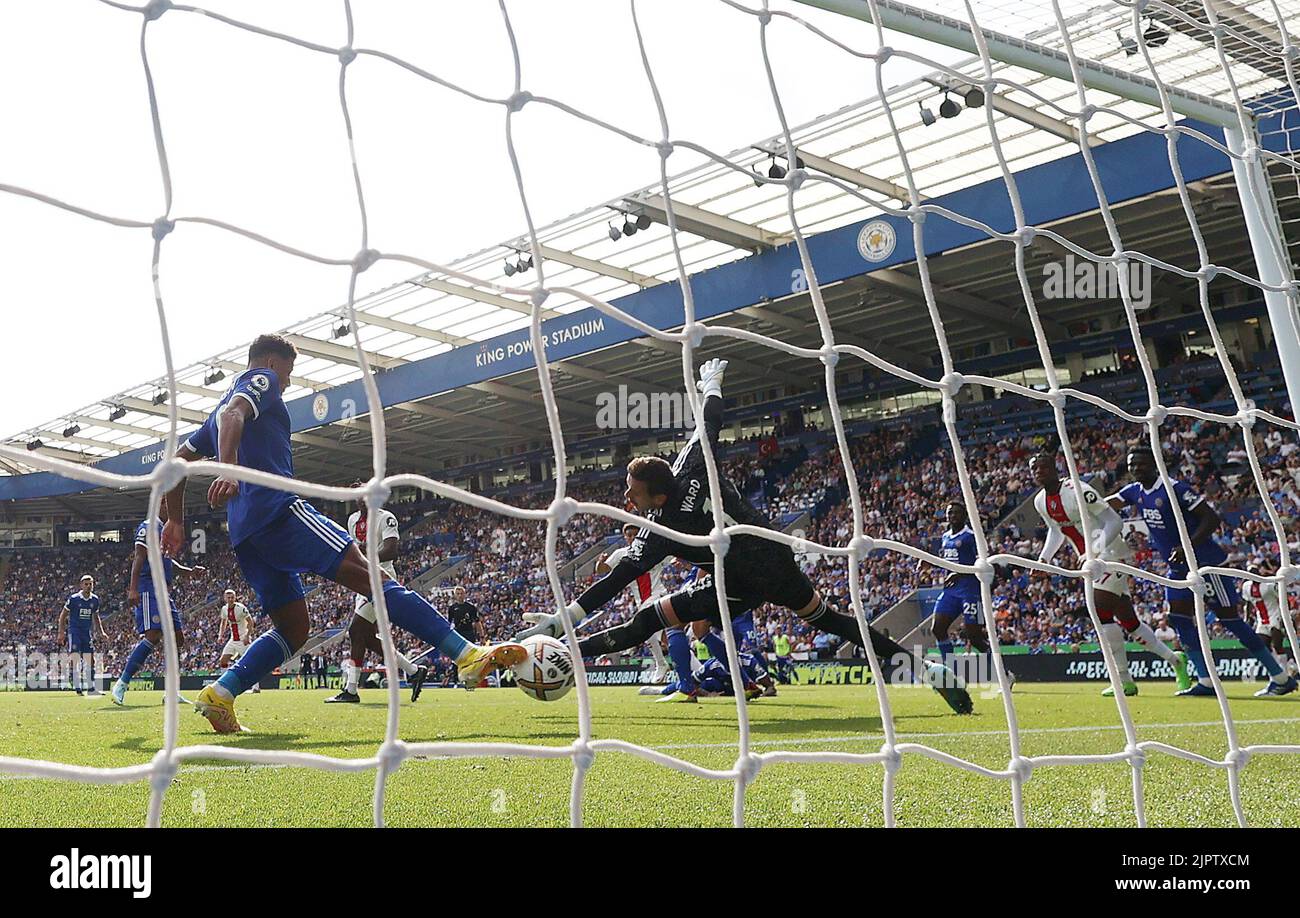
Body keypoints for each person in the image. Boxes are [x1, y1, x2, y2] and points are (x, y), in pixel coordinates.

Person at [517, 358, 972, 714]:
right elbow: (710, 422)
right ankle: (926, 670)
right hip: (770, 557)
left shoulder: (661, 528)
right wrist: (711, 385)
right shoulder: (689, 465)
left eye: (633, 494)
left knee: (652, 618)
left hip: (740, 579)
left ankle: (568, 652)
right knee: (826, 619)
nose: (627, 498)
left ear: (655, 496)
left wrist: (562, 619)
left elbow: (611, 585)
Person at [161, 333, 525, 733]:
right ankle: (466, 653)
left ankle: (221, 694)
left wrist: (175, 520)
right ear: (268, 360)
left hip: (246, 535)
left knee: (294, 627)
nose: (288, 382)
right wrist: (229, 469)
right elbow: (235, 414)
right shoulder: (259, 382)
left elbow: (177, 463)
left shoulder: (213, 413)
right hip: (279, 511)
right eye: (289, 371)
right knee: (373, 578)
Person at [1110, 446, 1296, 698]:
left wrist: (1188, 546)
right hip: (1177, 569)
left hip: (1206, 564)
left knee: (1230, 620)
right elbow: (1105, 504)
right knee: (1179, 619)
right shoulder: (1135, 492)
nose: (1135, 469)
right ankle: (1206, 680)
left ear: (1155, 464)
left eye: (1141, 464)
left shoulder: (1175, 489)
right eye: (1132, 465)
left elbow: (1211, 519)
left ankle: (1280, 677)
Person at [1031, 451, 1188, 696]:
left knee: (1100, 610)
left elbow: (1114, 521)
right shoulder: (1040, 501)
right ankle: (1176, 661)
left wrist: (1094, 550)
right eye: (1034, 469)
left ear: (1055, 467)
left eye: (1043, 467)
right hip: (1092, 561)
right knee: (1130, 622)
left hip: (1111, 554)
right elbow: (1056, 531)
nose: (1039, 472)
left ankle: (1123, 680)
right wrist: (1043, 560)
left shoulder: (1077, 490)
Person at [326, 484, 429, 704]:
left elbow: (391, 551)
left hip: (381, 578)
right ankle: (412, 670)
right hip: (362, 580)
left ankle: (351, 690)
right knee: (365, 637)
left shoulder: (386, 517)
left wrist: (364, 558)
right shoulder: (353, 520)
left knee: (355, 631)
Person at [110, 510, 207, 706]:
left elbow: (167, 561)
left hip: (164, 591)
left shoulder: (165, 529)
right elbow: (139, 556)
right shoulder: (149, 526)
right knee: (153, 636)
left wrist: (189, 572)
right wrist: (133, 589)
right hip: (148, 587)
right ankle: (121, 683)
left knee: (178, 638)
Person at [923, 501, 1016, 692]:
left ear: (964, 516)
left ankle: (1005, 675)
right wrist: (929, 563)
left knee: (974, 638)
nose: (952, 516)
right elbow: (948, 562)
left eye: (956, 513)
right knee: (938, 628)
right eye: (949, 513)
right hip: (950, 592)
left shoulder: (971, 537)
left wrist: (961, 572)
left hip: (971, 591)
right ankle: (949, 676)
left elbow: (984, 564)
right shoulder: (945, 537)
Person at [57, 574, 106, 695]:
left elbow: (96, 617)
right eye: (86, 584)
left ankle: (91, 687)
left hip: (86, 632)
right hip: (74, 632)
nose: (89, 586)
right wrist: (61, 633)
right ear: (81, 585)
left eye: (91, 584)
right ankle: (77, 686)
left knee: (90, 659)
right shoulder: (74, 599)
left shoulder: (94, 600)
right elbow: (63, 616)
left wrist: (101, 632)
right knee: (75, 657)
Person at [217, 589, 260, 693]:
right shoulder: (224, 609)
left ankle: (256, 687)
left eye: (232, 597)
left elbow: (250, 623)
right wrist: (220, 635)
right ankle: (224, 685)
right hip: (233, 639)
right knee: (223, 661)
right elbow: (223, 623)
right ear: (225, 598)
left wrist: (247, 635)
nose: (230, 599)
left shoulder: (241, 608)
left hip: (242, 639)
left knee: (250, 663)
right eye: (228, 598)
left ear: (235, 597)